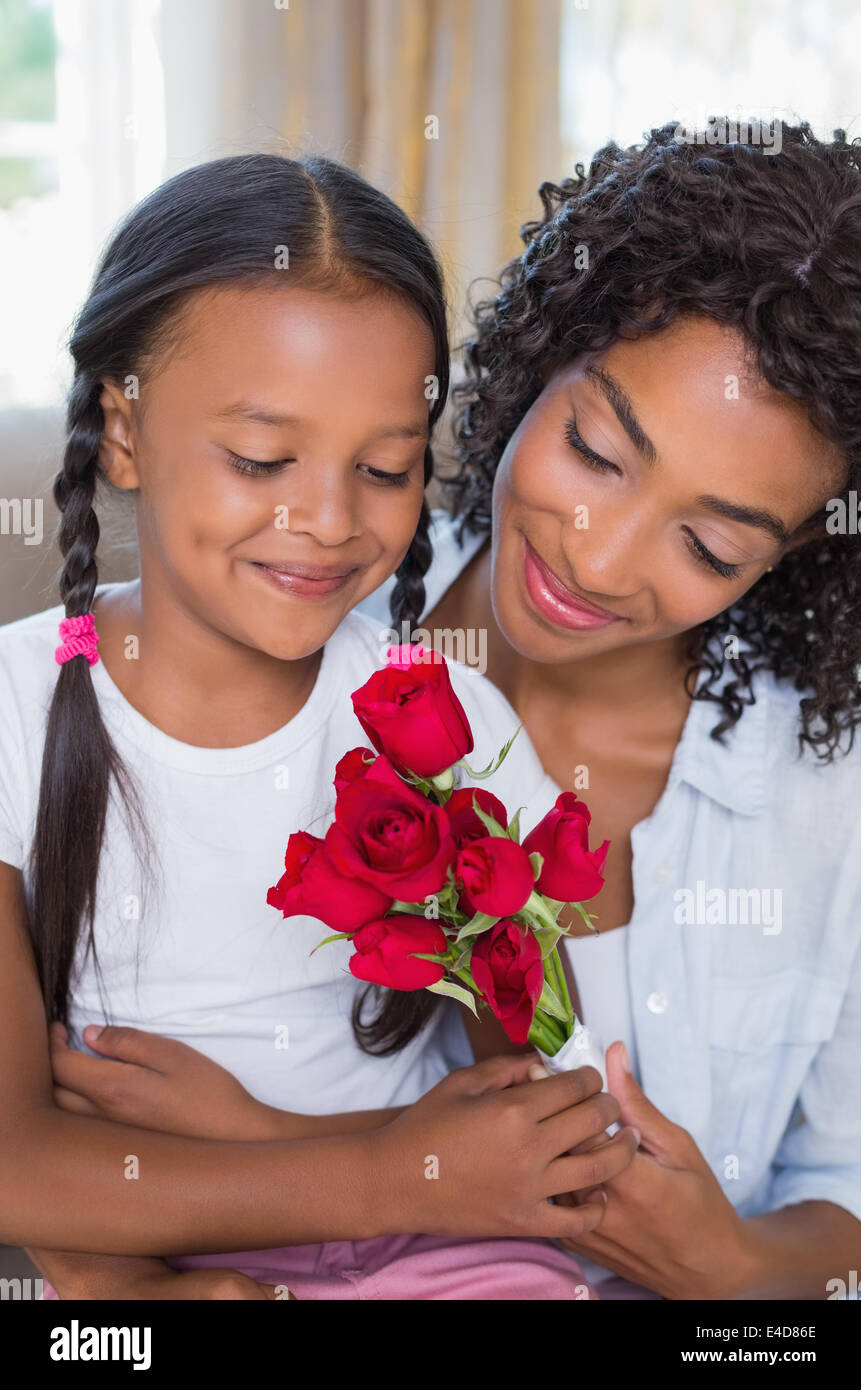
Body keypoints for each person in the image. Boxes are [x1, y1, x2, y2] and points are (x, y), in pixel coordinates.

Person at [0, 152, 636, 1301]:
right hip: (151, 1247)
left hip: (445, 1256)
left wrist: (268, 1136)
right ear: (124, 428)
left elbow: (543, 1108)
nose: (327, 521)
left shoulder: (443, 724)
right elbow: (15, 1168)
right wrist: (385, 1173)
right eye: (260, 459)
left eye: (386, 468)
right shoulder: (14, 710)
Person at [356, 119, 861, 1299]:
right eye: (594, 450)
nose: (596, 559)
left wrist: (729, 1265)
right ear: (544, 354)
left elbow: (847, 1187)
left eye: (707, 541)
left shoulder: (830, 790)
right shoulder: (300, 633)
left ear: (792, 553)